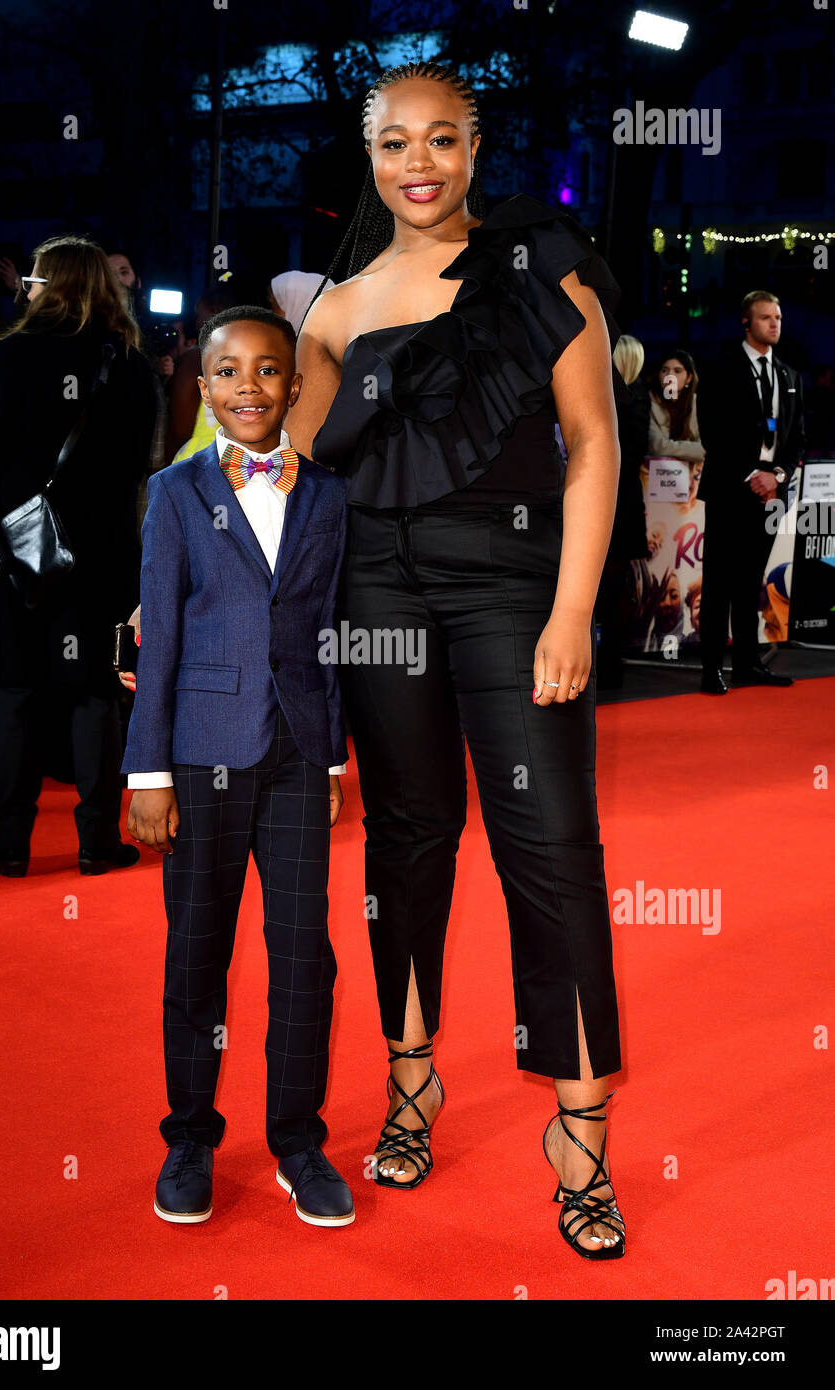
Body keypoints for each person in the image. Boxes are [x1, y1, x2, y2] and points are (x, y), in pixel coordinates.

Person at [287, 61, 625, 1258]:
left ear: (476, 151)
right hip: (377, 589)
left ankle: (578, 1135)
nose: (416, 163)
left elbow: (592, 444)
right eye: (393, 143)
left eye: (441, 140)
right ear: (368, 155)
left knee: (551, 849)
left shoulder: (541, 266)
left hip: (516, 586)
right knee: (408, 838)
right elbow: (301, 489)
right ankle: (411, 1080)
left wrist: (572, 609)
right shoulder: (329, 311)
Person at [121, 307, 354, 1229]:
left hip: (298, 753)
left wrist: (333, 755)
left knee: (306, 958)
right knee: (197, 956)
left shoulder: (329, 496)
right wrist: (147, 776)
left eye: (268, 371)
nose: (249, 388)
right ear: (203, 387)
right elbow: (163, 633)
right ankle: (189, 1135)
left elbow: (329, 634)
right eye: (228, 372)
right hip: (201, 754)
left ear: (294, 386)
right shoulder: (172, 494)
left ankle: (299, 1140)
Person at [0, 234, 158, 875]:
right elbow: (135, 465)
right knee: (94, 694)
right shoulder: (128, 361)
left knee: (16, 691)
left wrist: (14, 501)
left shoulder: (14, 354)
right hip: (100, 555)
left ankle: (11, 844)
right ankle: (97, 842)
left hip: (26, 552)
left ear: (49, 285)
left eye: (38, 279)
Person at [697, 291, 805, 694]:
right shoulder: (722, 368)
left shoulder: (790, 376)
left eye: (778, 317)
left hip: (772, 493)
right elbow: (712, 432)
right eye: (765, 317)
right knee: (719, 582)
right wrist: (751, 475)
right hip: (730, 489)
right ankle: (712, 669)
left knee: (750, 582)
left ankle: (747, 664)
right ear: (747, 323)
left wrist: (776, 475)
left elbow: (797, 440)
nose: (774, 323)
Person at [596, 335, 649, 686]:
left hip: (609, 501)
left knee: (605, 586)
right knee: (614, 588)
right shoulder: (638, 398)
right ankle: (611, 661)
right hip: (624, 502)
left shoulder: (617, 399)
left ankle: (606, 662)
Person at [648, 349, 705, 467]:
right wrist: (694, 450)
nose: (669, 376)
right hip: (656, 475)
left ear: (689, 378)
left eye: (677, 371)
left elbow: (708, 447)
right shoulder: (649, 402)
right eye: (664, 370)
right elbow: (657, 447)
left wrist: (669, 447)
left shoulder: (698, 403)